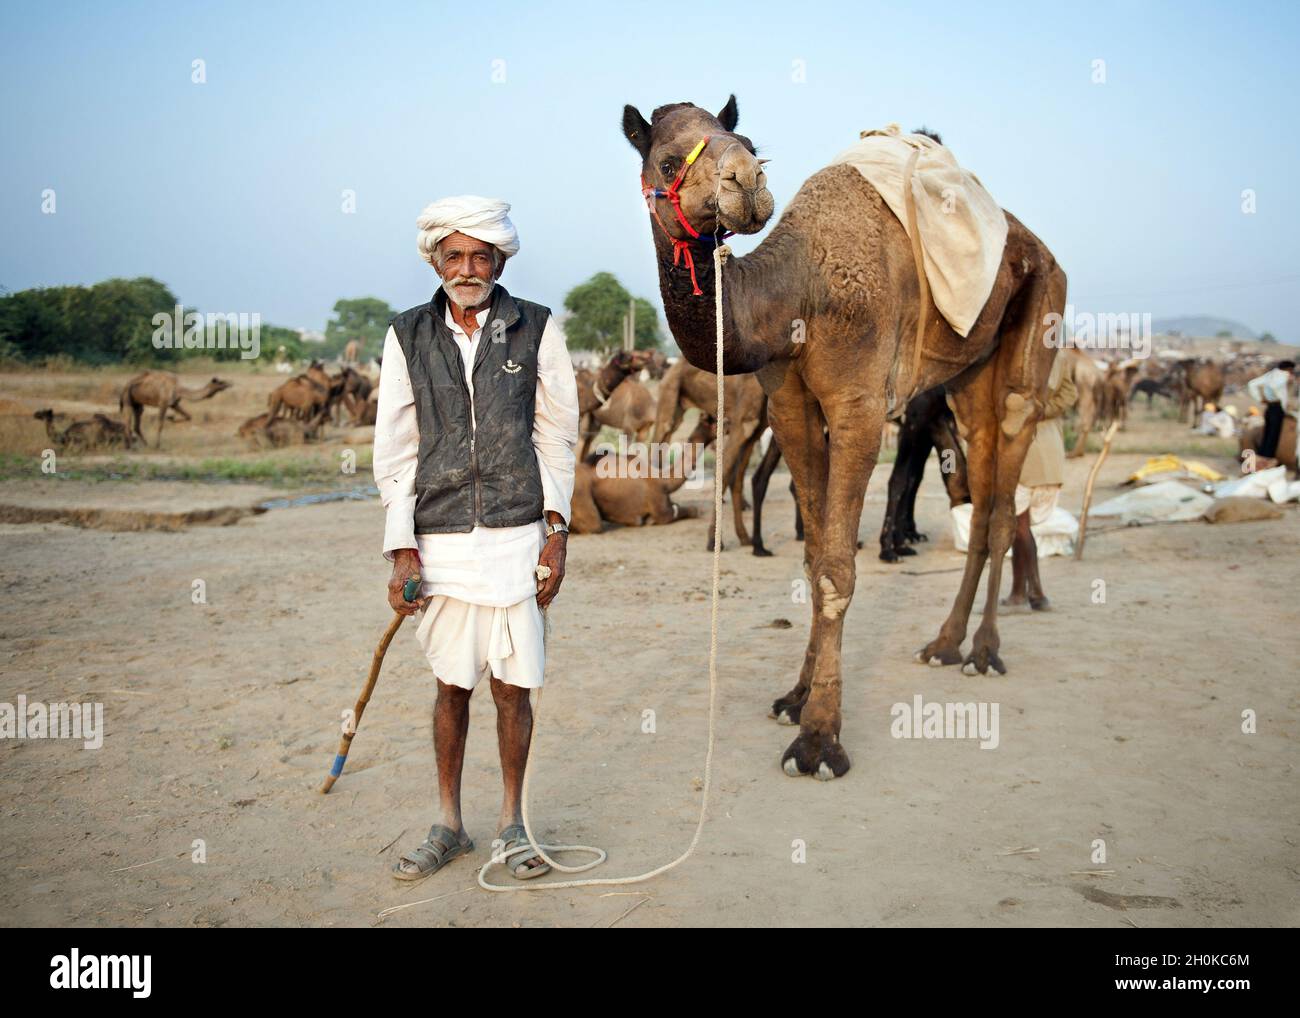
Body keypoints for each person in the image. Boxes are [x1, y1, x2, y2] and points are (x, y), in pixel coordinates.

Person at [373, 196, 580, 882]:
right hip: (441, 541)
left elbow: (556, 436)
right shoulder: (406, 335)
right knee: (451, 685)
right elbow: (396, 453)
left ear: (500, 260)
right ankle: (449, 824)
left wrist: (556, 532)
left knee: (513, 688)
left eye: (480, 256)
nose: (467, 268)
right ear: (436, 260)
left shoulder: (538, 330)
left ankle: (514, 824)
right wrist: (402, 547)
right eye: (454, 256)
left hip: (519, 534)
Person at [1003, 349, 1077, 612]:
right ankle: (1019, 592)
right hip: (1050, 451)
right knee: (1019, 526)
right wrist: (1046, 410)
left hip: (1026, 451)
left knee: (1019, 527)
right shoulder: (1059, 355)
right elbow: (1070, 393)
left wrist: (1033, 412)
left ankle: (1034, 592)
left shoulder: (1018, 355)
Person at [1246, 360, 1295, 466]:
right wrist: (1282, 400)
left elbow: (1252, 384)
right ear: (1289, 369)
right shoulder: (1284, 375)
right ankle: (1268, 458)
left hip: (1269, 407)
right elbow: (1275, 386)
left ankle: (1261, 455)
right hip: (1277, 407)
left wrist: (1260, 399)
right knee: (1274, 434)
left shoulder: (1271, 374)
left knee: (1267, 432)